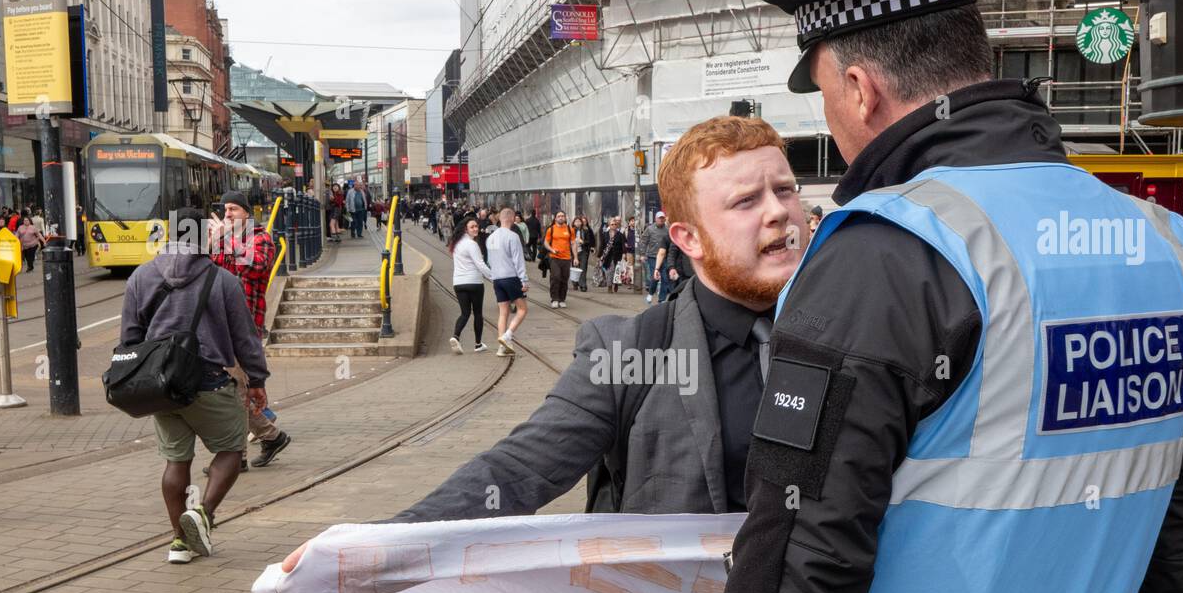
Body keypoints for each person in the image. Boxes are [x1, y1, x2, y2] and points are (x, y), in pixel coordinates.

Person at [683, 0, 1183, 593]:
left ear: (859, 90)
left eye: (826, 96)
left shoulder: (888, 253)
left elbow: (799, 554)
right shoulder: (1166, 248)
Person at [279, 115, 805, 569]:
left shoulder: (857, 333)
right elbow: (518, 469)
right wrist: (382, 544)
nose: (778, 212)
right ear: (688, 237)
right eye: (745, 201)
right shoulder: (631, 351)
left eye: (784, 190)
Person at [119, 207, 270, 564]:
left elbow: (128, 338)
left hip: (162, 388)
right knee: (232, 450)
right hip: (209, 382)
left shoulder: (140, 277)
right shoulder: (223, 280)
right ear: (205, 238)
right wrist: (256, 380)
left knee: (176, 461)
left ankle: (180, 543)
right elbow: (245, 339)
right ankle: (202, 514)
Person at [209, 191, 293, 468]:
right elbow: (210, 269)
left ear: (247, 212)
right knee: (235, 389)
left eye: (233, 209)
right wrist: (209, 242)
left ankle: (240, 457)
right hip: (220, 324)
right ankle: (270, 437)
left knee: (236, 390)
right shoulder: (225, 240)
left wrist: (225, 239)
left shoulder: (261, 238)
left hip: (246, 325)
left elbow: (254, 267)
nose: (228, 214)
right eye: (225, 209)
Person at [448, 217, 491, 354]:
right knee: (477, 313)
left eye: (476, 226)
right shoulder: (471, 244)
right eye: (472, 227)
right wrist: (493, 277)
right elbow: (480, 264)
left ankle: (456, 336)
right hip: (474, 282)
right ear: (466, 229)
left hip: (459, 283)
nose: (475, 229)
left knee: (465, 313)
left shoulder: (456, 244)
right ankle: (478, 344)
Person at [490, 207, 529, 356]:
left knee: (503, 312)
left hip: (497, 279)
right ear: (513, 219)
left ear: (499, 218)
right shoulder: (513, 236)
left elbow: (489, 260)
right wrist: (524, 280)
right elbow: (518, 260)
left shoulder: (491, 237)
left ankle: (502, 348)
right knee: (522, 309)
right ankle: (507, 336)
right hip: (511, 277)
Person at [543, 209, 575, 307]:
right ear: (555, 218)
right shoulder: (551, 229)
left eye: (562, 216)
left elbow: (573, 244)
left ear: (565, 218)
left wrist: (576, 257)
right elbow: (546, 242)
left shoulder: (570, 229)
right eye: (559, 216)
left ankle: (562, 299)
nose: (561, 217)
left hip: (567, 258)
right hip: (554, 257)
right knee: (555, 277)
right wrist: (552, 250)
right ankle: (554, 299)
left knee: (564, 279)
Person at [640, 211, 668, 303]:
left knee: (665, 278)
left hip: (664, 257)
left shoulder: (667, 230)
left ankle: (662, 299)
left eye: (662, 218)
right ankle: (651, 294)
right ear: (656, 219)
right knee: (654, 277)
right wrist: (642, 254)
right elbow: (643, 241)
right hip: (652, 256)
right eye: (659, 218)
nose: (661, 220)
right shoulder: (650, 229)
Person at [602, 217, 627, 293]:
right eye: (612, 224)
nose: (613, 226)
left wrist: (624, 254)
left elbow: (623, 245)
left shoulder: (620, 235)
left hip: (617, 255)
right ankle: (609, 286)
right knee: (609, 271)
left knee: (616, 271)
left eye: (615, 224)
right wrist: (599, 255)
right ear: (609, 225)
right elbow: (602, 245)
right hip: (607, 256)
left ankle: (615, 284)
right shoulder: (605, 234)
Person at [572, 214, 596, 292]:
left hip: (583, 251)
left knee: (583, 268)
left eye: (579, 221)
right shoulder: (571, 230)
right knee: (575, 267)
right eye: (576, 221)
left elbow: (589, 241)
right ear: (574, 223)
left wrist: (583, 242)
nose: (578, 223)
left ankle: (583, 285)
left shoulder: (585, 231)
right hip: (573, 251)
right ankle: (575, 283)